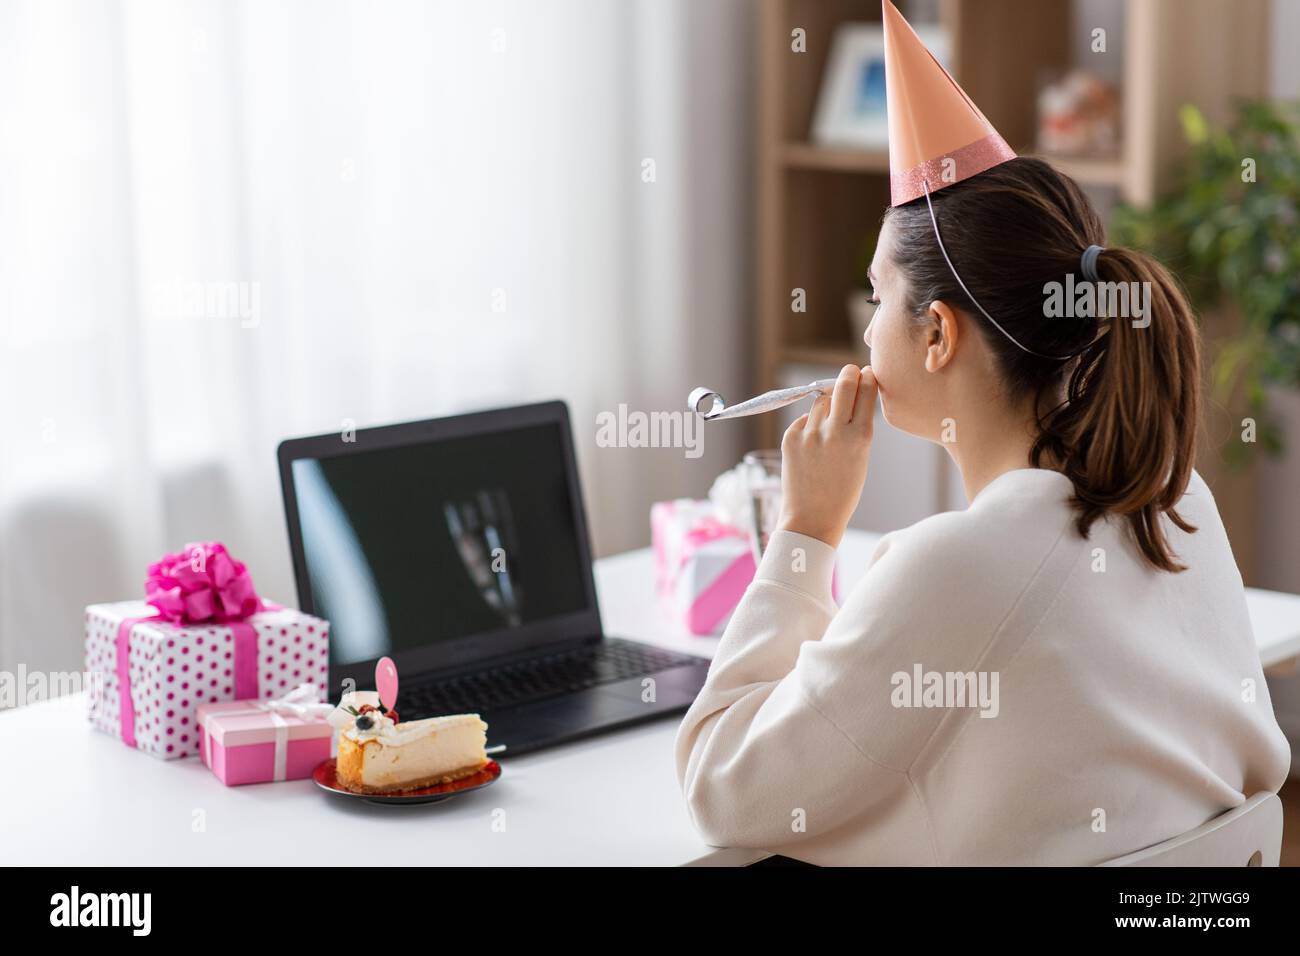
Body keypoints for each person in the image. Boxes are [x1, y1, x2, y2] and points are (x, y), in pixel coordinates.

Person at [673, 154, 1291, 865]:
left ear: (937, 334)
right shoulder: (1178, 500)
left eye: (877, 300)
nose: (867, 334)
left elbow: (722, 791)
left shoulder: (956, 566)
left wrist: (805, 532)